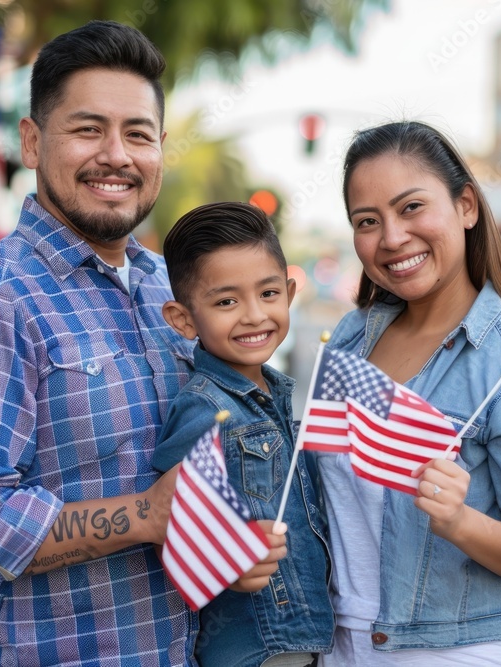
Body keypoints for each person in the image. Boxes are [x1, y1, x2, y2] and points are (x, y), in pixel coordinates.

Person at [0, 21, 285, 667]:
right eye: (88, 129)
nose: (117, 154)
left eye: (137, 134)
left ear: (160, 149)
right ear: (31, 140)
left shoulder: (171, 288)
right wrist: (145, 514)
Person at [317, 121, 501, 666]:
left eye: (411, 207)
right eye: (368, 221)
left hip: (447, 651)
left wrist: (462, 522)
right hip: (337, 642)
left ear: (466, 206)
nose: (392, 238)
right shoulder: (350, 336)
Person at [151, 202, 334, 667]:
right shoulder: (203, 407)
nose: (254, 315)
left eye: (268, 293)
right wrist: (226, 557)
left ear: (290, 292)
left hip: (300, 639)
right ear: (184, 319)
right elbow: (171, 520)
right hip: (255, 647)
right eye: (226, 302)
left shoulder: (271, 392)